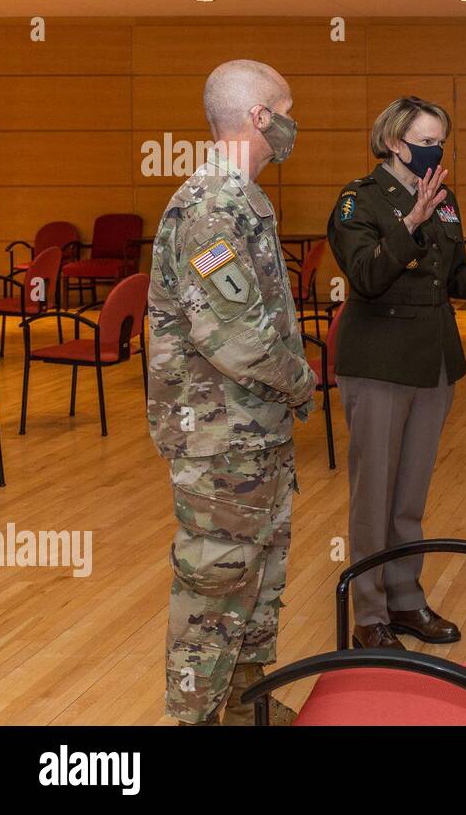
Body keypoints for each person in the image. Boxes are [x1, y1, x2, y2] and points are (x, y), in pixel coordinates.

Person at [327, 97, 466, 650]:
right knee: (373, 495)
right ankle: (370, 618)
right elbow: (365, 276)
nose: (434, 151)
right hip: (379, 363)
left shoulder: (443, 201)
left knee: (408, 495)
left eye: (439, 141)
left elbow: (451, 278)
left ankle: (405, 600)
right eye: (424, 141)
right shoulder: (359, 200)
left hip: (432, 363)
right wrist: (409, 222)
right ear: (394, 143)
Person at [147, 59, 315, 725]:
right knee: (215, 585)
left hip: (252, 433)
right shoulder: (211, 207)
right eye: (287, 106)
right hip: (220, 438)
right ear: (258, 117)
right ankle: (191, 717)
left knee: (257, 577)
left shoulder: (240, 198)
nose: (293, 121)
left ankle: (248, 706)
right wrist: (303, 380)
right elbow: (238, 340)